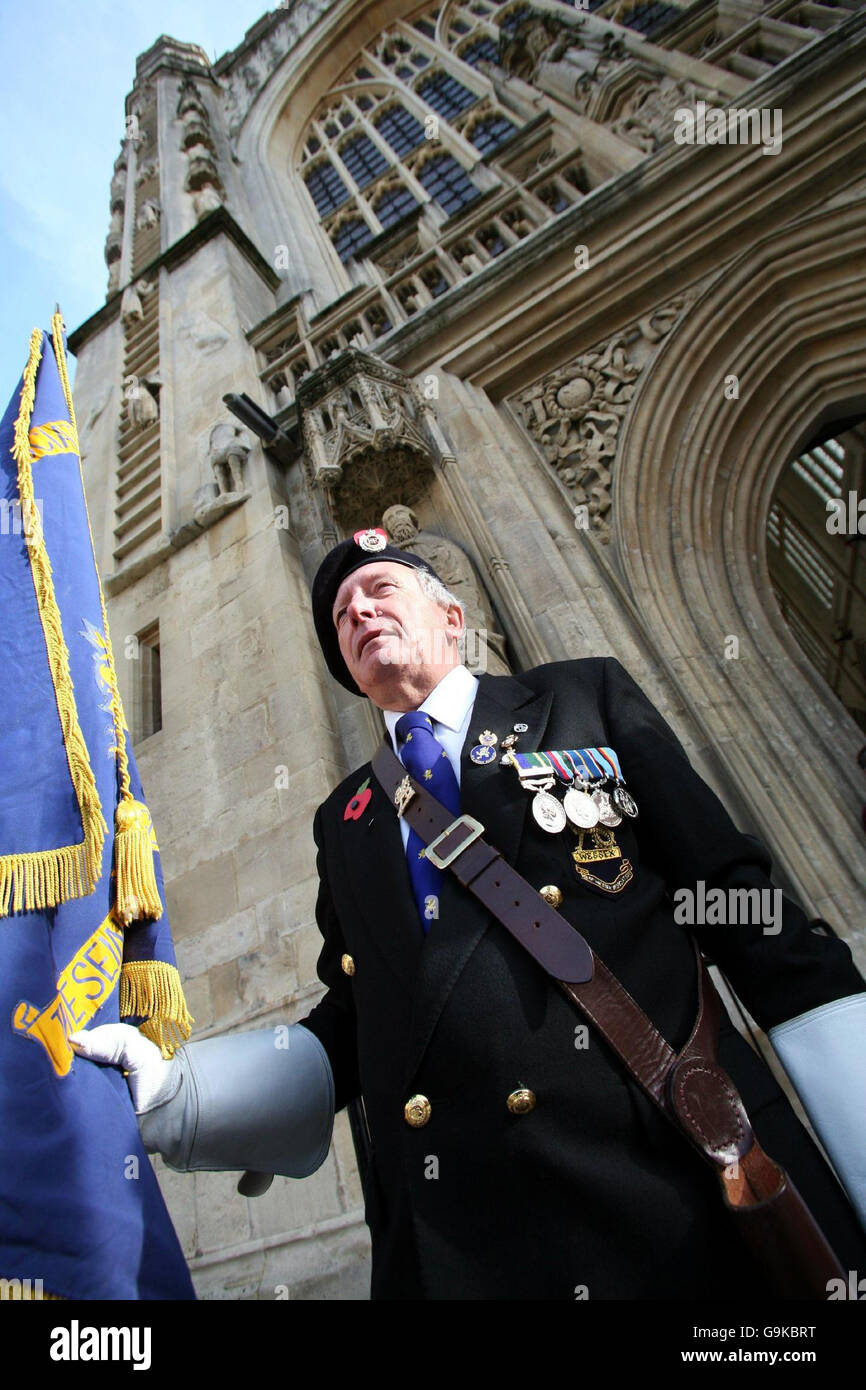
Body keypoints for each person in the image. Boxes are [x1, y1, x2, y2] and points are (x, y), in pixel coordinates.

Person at [73, 529, 866, 1300]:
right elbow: (358, 1017)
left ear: (452, 617)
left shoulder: (580, 699)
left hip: (670, 1185)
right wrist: (187, 1096)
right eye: (342, 614)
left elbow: (733, 900)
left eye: (379, 590)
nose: (358, 613)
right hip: (463, 1241)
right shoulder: (344, 816)